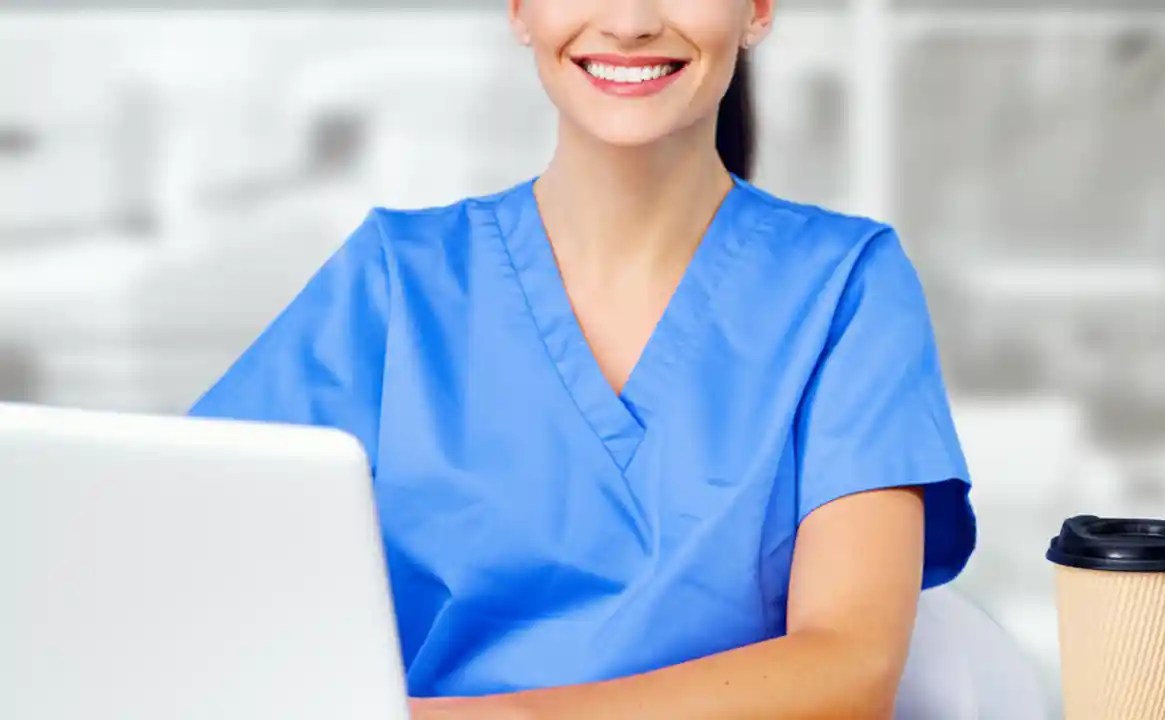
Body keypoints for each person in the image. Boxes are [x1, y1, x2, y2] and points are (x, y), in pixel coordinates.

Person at [189, 1, 976, 718]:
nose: (630, 20)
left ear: (758, 10)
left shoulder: (845, 285)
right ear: (521, 10)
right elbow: (183, 557)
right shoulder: (395, 282)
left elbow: (850, 667)